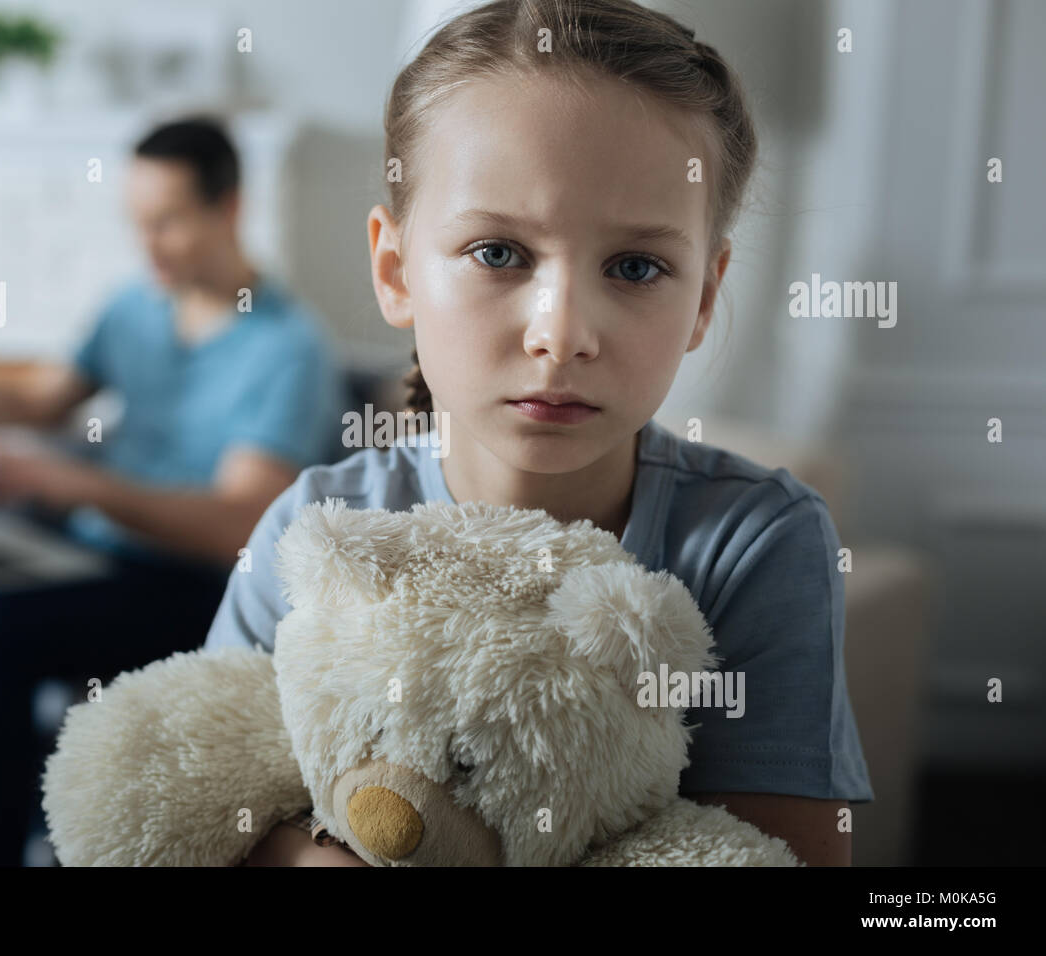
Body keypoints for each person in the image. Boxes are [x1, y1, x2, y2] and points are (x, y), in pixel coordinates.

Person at [217, 0, 872, 867]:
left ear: (704, 300)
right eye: (498, 253)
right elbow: (205, 800)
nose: (561, 334)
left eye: (636, 267)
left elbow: (782, 857)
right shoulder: (313, 534)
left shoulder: (755, 545)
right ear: (395, 270)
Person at [0, 116, 349, 866]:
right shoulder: (137, 306)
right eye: (138, 224)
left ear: (229, 208)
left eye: (166, 222)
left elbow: (235, 526)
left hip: (187, 582)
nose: (148, 246)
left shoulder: (288, 348)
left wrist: (78, 486)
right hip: (83, 554)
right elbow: (38, 403)